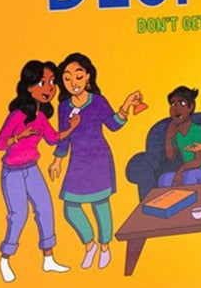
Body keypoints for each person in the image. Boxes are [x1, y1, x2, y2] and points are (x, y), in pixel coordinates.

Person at [48, 52, 142, 269]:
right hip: (77, 162)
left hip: (99, 159)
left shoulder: (97, 101)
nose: (74, 82)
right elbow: (63, 137)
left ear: (88, 76)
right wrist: (57, 161)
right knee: (70, 208)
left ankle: (105, 247)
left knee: (100, 205)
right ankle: (89, 244)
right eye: (67, 78)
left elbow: (113, 125)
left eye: (79, 76)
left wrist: (126, 105)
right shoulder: (64, 106)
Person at [0, 60, 80, 282]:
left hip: (32, 169)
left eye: (52, 82)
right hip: (12, 173)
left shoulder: (41, 117)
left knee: (45, 209)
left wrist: (72, 126)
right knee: (19, 215)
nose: (49, 88)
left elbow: (52, 138)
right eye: (43, 83)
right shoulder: (17, 115)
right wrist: (18, 137)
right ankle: (5, 259)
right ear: (30, 87)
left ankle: (48, 259)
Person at [156, 86, 201, 186]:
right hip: (185, 171)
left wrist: (180, 171)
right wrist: (168, 137)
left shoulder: (197, 130)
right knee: (164, 178)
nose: (176, 108)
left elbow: (199, 160)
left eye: (182, 103)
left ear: (190, 107)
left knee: (190, 176)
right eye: (173, 104)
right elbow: (170, 156)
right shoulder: (175, 132)